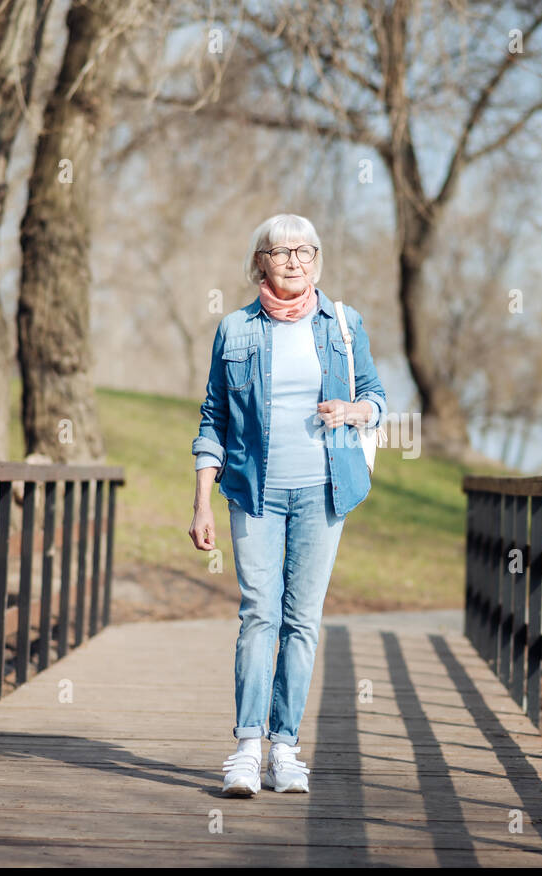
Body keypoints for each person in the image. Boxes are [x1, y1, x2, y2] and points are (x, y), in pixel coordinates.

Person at [188, 213, 387, 796]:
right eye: (281, 252)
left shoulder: (344, 325)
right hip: (254, 492)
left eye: (305, 251)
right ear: (261, 263)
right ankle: (247, 750)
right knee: (259, 613)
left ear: (317, 260)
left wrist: (351, 411)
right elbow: (213, 421)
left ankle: (286, 749)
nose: (294, 260)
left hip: (324, 493)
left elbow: (374, 396)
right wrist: (201, 501)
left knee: (301, 621)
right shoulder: (235, 330)